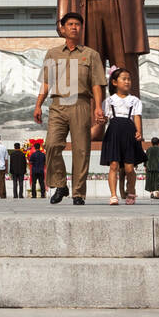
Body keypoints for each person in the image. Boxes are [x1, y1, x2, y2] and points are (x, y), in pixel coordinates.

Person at [34, 12, 104, 206]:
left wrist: (98, 107)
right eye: (70, 24)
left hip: (81, 104)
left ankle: (78, 193)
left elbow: (97, 84)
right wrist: (38, 104)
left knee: (81, 150)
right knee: (52, 145)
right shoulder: (52, 53)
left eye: (78, 25)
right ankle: (60, 184)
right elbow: (46, 82)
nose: (74, 27)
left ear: (82, 28)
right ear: (62, 28)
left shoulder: (91, 55)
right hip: (57, 105)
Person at [101, 67, 146, 205]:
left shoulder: (134, 100)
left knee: (129, 167)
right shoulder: (109, 101)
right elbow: (105, 118)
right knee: (114, 165)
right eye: (124, 79)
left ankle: (131, 191)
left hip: (129, 133)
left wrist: (139, 132)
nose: (127, 82)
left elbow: (137, 117)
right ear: (114, 82)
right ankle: (113, 195)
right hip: (114, 132)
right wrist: (101, 120)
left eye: (129, 79)